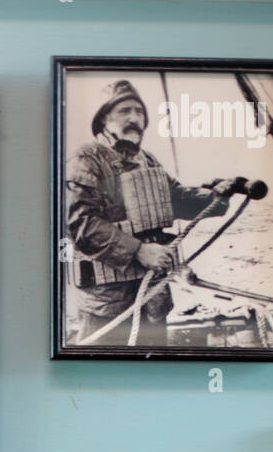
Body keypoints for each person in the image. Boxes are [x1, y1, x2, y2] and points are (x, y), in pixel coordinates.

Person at [65, 80, 235, 346]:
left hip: (153, 295)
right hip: (107, 303)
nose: (134, 118)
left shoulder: (149, 160)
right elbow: (80, 225)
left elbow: (178, 200)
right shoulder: (86, 160)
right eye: (124, 111)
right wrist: (138, 251)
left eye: (139, 111)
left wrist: (217, 196)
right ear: (103, 120)